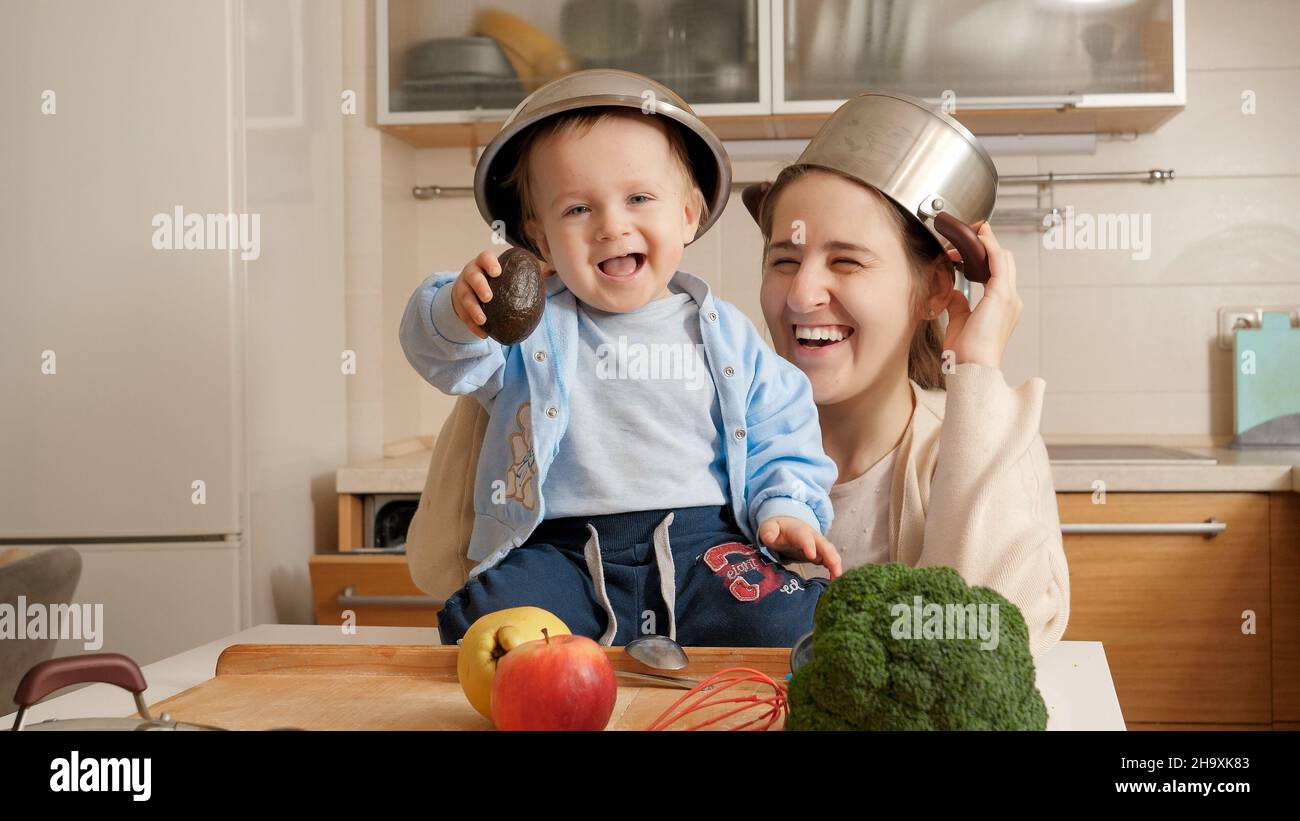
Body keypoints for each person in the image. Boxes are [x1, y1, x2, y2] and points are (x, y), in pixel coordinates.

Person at [399, 70, 840, 649]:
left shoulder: (726, 335)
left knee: (795, 625)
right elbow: (445, 358)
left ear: (688, 213)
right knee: (489, 629)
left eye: (638, 198)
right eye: (578, 208)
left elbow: (781, 430)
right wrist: (459, 311)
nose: (612, 225)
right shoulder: (530, 327)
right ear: (539, 238)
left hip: (704, 544)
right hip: (560, 549)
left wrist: (785, 507)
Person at [748, 109, 1070, 656]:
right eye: (785, 259)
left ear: (933, 291)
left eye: (846, 261)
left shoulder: (980, 438)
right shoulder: (724, 442)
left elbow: (990, 638)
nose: (802, 295)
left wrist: (978, 371)